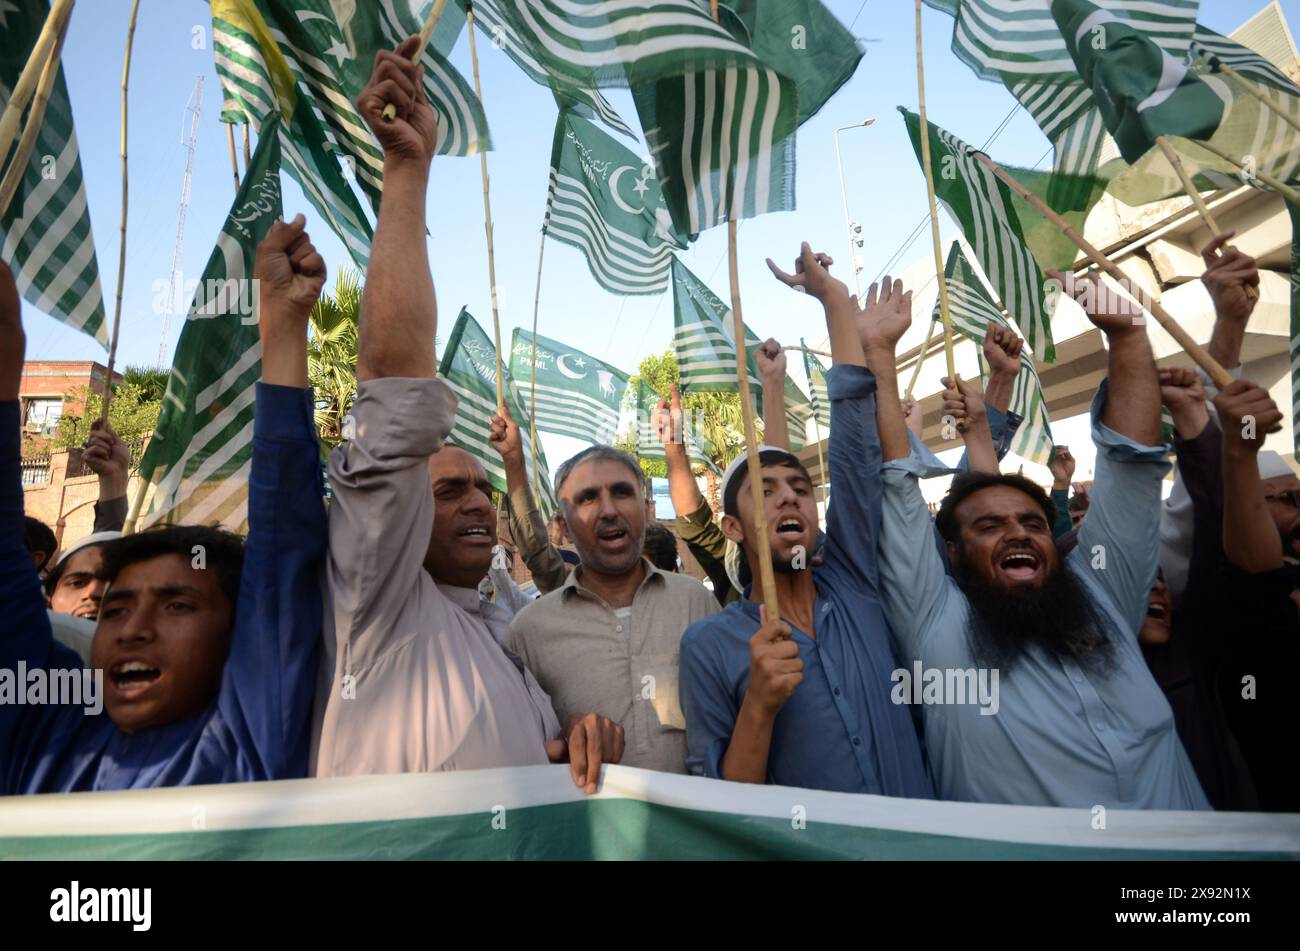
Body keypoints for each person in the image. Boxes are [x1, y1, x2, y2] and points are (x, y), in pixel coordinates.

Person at [311, 40, 613, 789]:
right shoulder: (376, 606)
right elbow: (390, 386)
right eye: (449, 490)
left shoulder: (504, 636)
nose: (479, 501)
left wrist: (577, 736)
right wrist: (407, 174)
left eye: (480, 487)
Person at [0, 211, 329, 793]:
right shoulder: (38, 735)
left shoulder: (245, 743)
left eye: (177, 605)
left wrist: (282, 330)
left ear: (239, 638)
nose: (133, 630)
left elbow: (286, 537)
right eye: (116, 610)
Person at [876, 261, 1208, 810]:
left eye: (1033, 523)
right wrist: (878, 359)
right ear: (951, 557)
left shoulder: (1104, 597)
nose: (1018, 533)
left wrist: (1127, 332)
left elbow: (1131, 466)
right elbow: (895, 488)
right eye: (990, 526)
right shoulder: (935, 629)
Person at [677, 246, 932, 798]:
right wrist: (759, 707)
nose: (789, 499)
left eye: (800, 489)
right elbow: (723, 805)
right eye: (765, 494)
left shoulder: (856, 584)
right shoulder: (708, 645)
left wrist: (834, 303)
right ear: (733, 528)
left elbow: (855, 454)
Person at [507, 443, 718, 786]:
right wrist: (566, 740)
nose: (608, 510)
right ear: (562, 525)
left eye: (621, 492)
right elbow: (522, 757)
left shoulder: (697, 604)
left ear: (647, 508)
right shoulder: (528, 632)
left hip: (700, 836)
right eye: (588, 498)